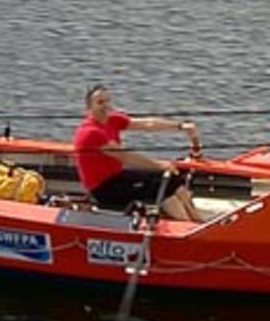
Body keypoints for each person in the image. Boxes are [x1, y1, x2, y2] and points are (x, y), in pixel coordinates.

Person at [72, 84, 202, 221]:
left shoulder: (112, 119)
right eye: (100, 102)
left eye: (107, 101)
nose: (105, 106)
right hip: (104, 189)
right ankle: (185, 225)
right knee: (162, 188)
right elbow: (126, 157)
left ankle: (198, 221)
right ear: (89, 108)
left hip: (118, 176)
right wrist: (159, 165)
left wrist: (180, 126)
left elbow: (147, 124)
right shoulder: (91, 133)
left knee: (173, 179)